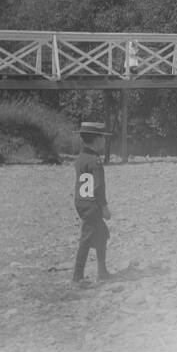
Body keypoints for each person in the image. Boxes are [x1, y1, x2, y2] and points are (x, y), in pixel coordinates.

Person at [72, 121, 113, 288]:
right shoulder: (95, 160)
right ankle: (77, 277)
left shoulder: (81, 158)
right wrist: (104, 207)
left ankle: (102, 271)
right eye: (102, 137)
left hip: (82, 201)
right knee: (87, 238)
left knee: (102, 234)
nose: (104, 141)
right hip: (92, 204)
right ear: (96, 139)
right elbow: (98, 187)